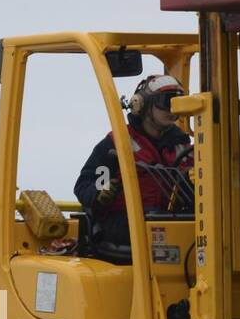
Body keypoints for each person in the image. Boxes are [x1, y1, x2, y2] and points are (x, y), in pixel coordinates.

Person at [74, 75, 193, 252]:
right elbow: (86, 184)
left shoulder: (182, 146)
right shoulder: (117, 145)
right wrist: (100, 193)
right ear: (142, 104)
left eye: (177, 102)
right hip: (125, 224)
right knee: (154, 226)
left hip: (167, 221)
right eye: (166, 101)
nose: (172, 109)